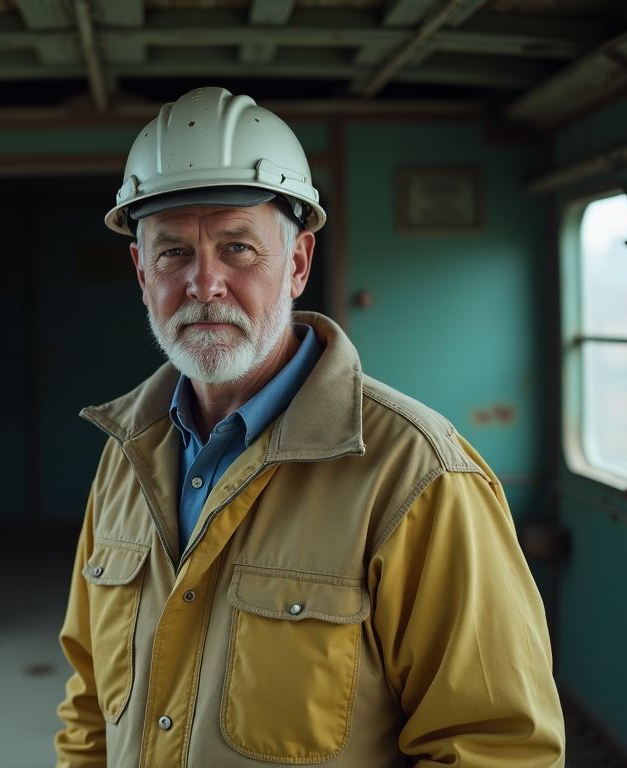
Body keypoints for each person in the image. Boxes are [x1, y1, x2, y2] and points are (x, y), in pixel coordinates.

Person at [54, 86, 564, 767]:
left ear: (296, 265)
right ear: (141, 272)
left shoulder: (416, 475)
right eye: (174, 254)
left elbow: (497, 749)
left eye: (237, 248)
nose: (205, 284)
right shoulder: (126, 456)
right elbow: (89, 702)